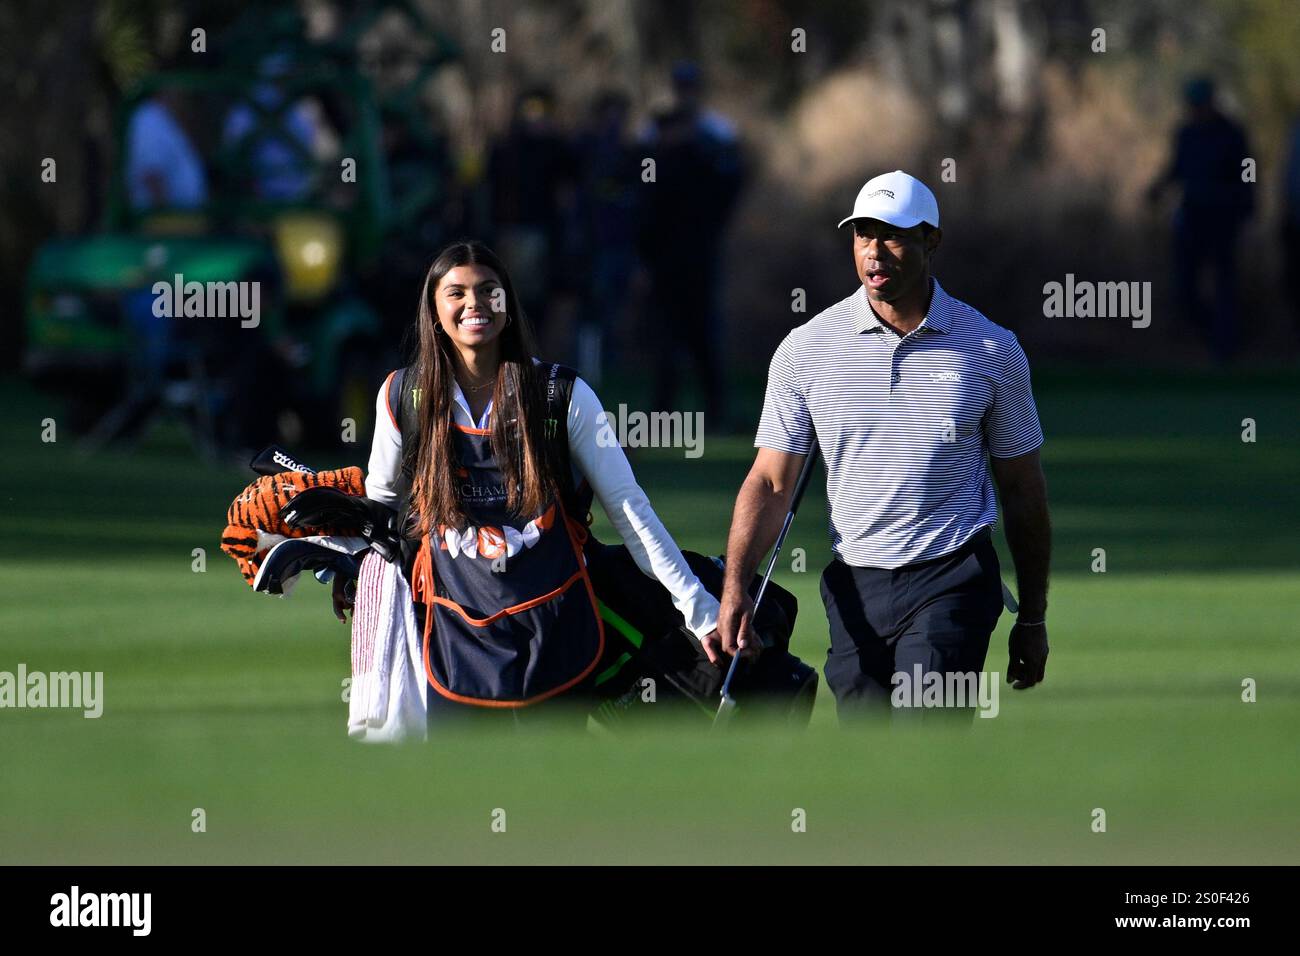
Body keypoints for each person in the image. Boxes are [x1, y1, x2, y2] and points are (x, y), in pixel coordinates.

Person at [717, 171, 1052, 722]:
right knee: (868, 761)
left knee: (923, 741)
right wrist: (736, 590)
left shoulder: (992, 350)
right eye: (862, 235)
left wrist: (1033, 618)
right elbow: (771, 483)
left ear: (931, 241)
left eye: (893, 236)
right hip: (855, 586)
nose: (875, 252)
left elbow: (1022, 489)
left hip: (953, 577)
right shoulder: (806, 350)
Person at [360, 240, 722, 726]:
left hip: (558, 634)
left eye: (489, 291)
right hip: (451, 641)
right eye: (457, 293)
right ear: (433, 310)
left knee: (554, 795)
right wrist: (323, 548)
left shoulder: (562, 393)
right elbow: (379, 510)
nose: (475, 305)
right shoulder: (402, 394)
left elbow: (629, 509)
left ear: (508, 304)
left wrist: (701, 611)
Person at [1147, 77, 1253, 362]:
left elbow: (1247, 176)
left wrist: (1244, 210)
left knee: (1225, 287)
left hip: (1223, 223)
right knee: (1184, 289)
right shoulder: (1186, 134)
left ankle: (1226, 350)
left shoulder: (1232, 134)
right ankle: (1213, 334)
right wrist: (1157, 188)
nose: (1195, 110)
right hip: (1192, 220)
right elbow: (1177, 168)